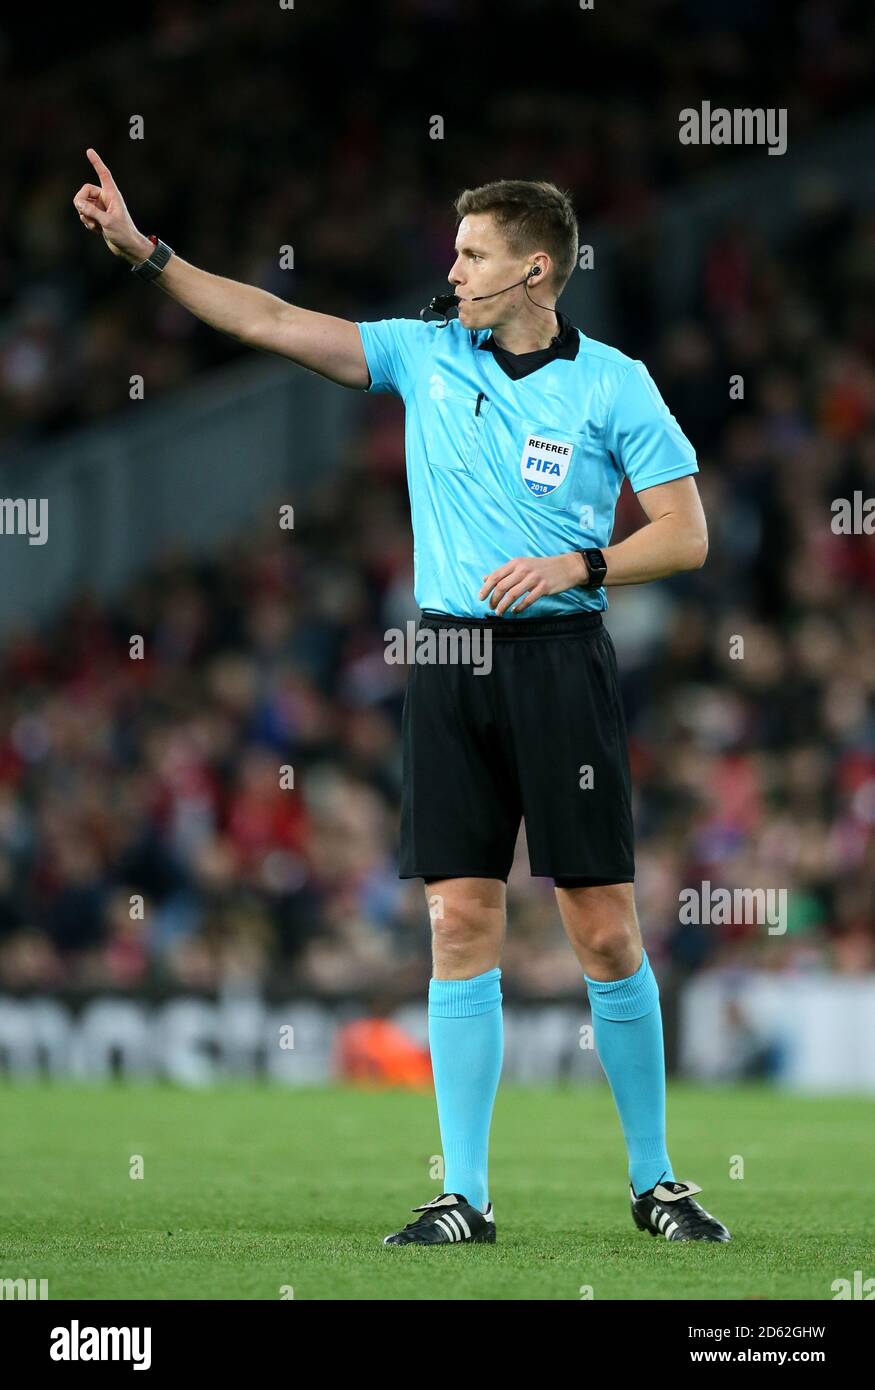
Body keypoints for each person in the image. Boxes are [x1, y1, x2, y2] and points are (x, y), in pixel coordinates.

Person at [74, 153, 730, 1245]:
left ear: (533, 270)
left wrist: (580, 566)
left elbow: (687, 531)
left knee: (603, 932)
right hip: (448, 664)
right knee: (456, 918)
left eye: (471, 252)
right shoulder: (424, 354)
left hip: (561, 662)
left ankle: (655, 1180)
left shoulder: (614, 382)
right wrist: (149, 254)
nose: (452, 268)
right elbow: (274, 322)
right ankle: (461, 1195)